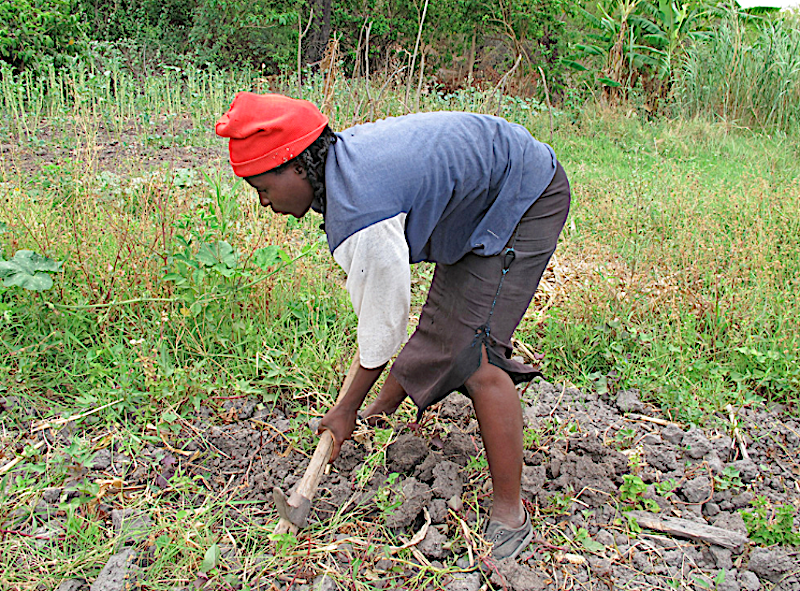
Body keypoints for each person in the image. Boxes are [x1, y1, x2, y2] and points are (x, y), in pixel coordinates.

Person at [216, 92, 571, 561]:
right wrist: (353, 410)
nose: (263, 203)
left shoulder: (362, 214)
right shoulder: (339, 169)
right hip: (481, 193)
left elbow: (382, 332)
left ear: (296, 166)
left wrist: (344, 409)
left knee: (475, 356)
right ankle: (377, 415)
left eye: (262, 188)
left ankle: (510, 514)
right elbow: (386, 321)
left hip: (523, 195)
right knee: (444, 322)